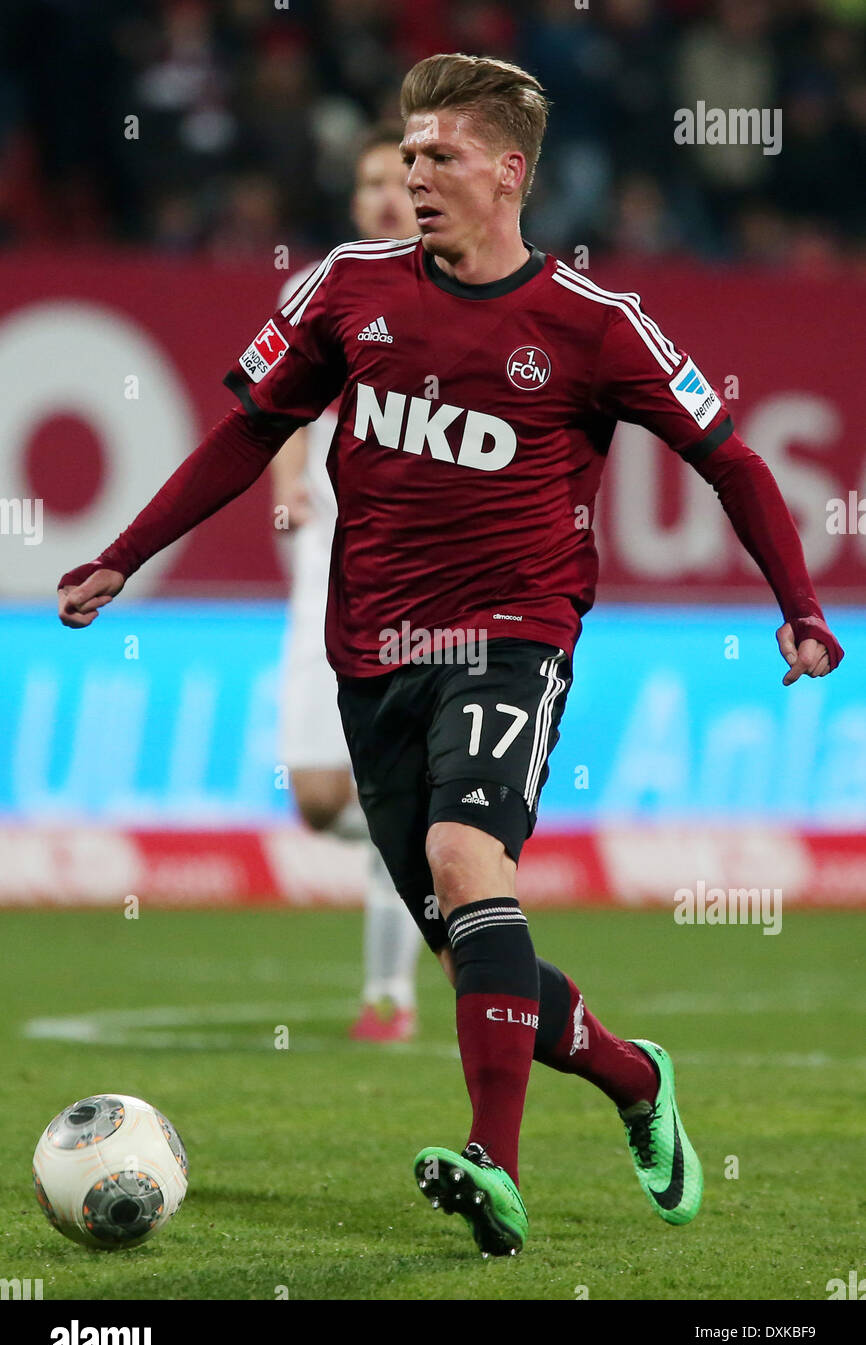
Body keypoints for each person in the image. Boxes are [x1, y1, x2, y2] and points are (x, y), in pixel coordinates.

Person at [58, 53, 844, 1259]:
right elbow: (247, 429)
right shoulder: (344, 291)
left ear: (509, 171)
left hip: (511, 639)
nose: (416, 176)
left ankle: (495, 1163)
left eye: (442, 157)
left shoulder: (592, 326)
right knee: (473, 939)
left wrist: (793, 603)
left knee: (468, 856)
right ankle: (635, 1079)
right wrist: (122, 555)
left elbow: (730, 461)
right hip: (369, 656)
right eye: (408, 156)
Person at [272, 125, 422, 1043]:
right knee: (323, 800)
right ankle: (421, 850)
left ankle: (389, 997)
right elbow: (280, 403)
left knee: (382, 782)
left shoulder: (449, 289)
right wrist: (290, 475)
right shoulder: (318, 288)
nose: (382, 196)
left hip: (399, 575)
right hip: (317, 569)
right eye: (369, 182)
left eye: (397, 179)